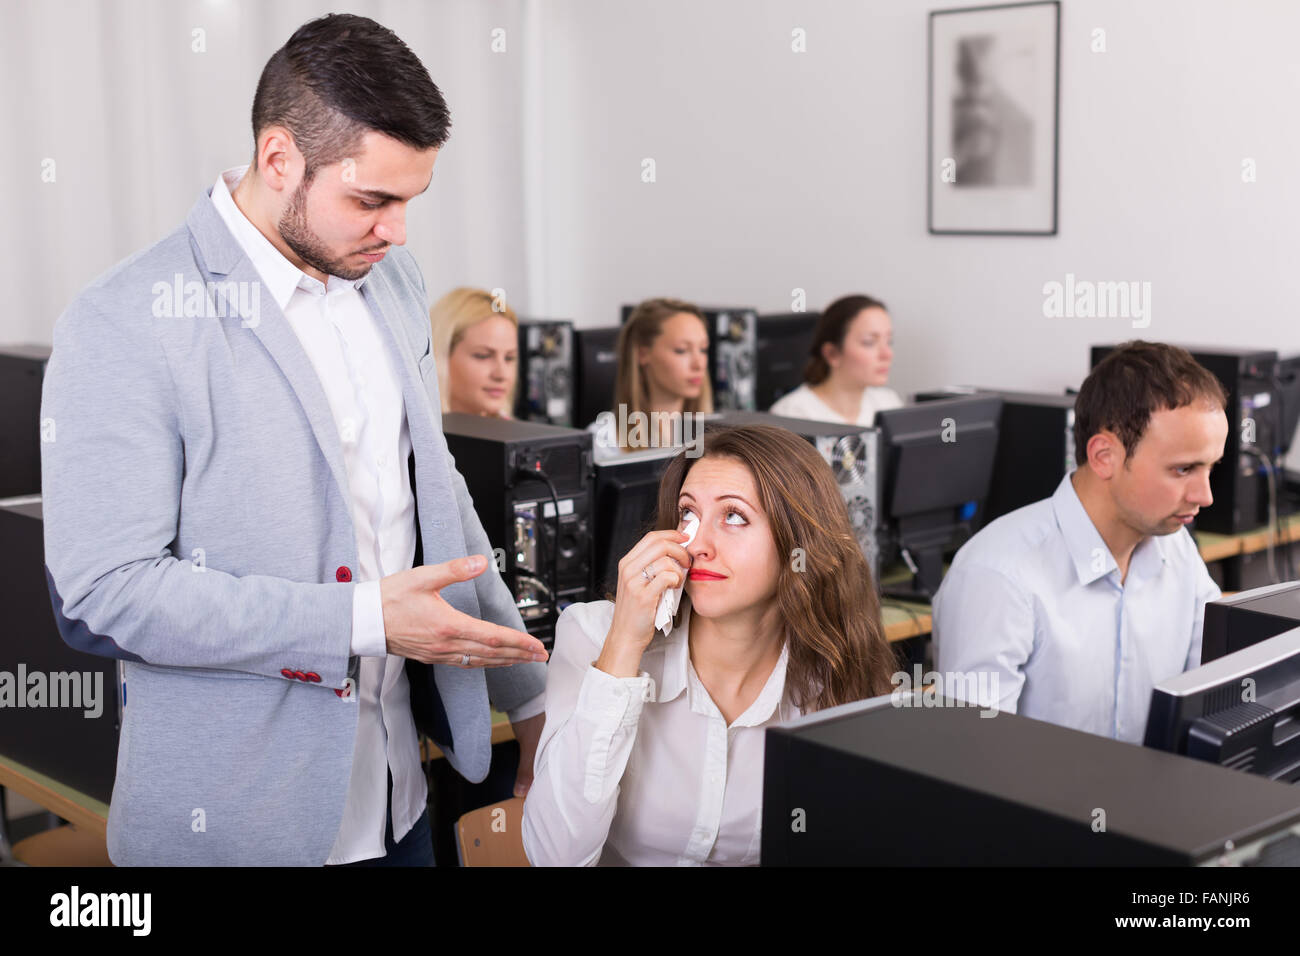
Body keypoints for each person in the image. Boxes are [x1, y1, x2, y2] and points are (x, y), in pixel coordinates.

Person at [39, 13, 549, 867]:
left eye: (409, 200)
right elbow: (105, 592)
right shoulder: (124, 319)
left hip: (401, 802)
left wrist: (528, 691)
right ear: (279, 160)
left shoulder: (392, 280)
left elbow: (438, 495)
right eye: (371, 200)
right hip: (235, 828)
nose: (398, 231)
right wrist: (361, 620)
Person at [522, 423, 897, 865]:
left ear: (800, 542)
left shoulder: (832, 667)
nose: (695, 543)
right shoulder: (592, 636)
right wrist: (624, 645)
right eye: (687, 514)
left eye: (734, 516)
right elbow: (553, 857)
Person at [932, 341, 1228, 744]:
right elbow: (977, 760)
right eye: (1183, 469)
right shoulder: (998, 575)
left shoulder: (1176, 550)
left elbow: (1215, 698)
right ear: (1104, 455)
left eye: (1210, 467)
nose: (1204, 495)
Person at [589, 297, 713, 460]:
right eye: (681, 350)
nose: (699, 365)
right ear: (643, 354)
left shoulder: (716, 434)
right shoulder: (605, 438)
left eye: (703, 350)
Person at [769, 294, 903, 425]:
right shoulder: (791, 414)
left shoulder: (889, 403)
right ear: (832, 353)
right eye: (869, 342)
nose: (887, 354)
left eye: (889, 342)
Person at [429, 286, 519, 418]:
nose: (501, 375)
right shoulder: (402, 435)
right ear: (439, 357)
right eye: (483, 356)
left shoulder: (518, 435)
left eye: (509, 358)